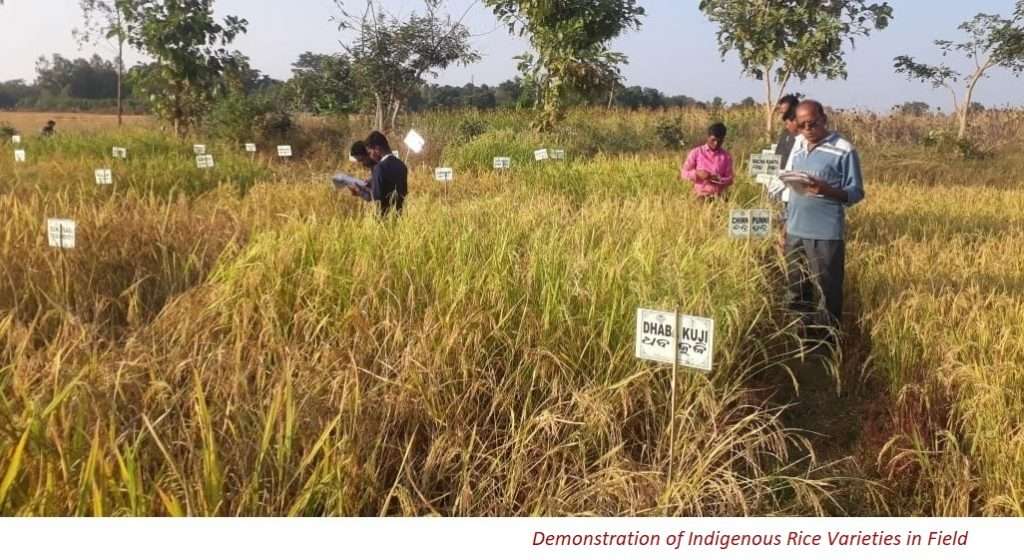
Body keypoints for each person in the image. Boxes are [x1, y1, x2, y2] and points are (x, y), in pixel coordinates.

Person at [784, 100, 865, 340]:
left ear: (824, 119)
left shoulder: (844, 150)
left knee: (826, 292)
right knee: (797, 288)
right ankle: (800, 338)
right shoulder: (798, 146)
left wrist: (826, 190)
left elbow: (856, 193)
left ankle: (825, 345)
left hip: (825, 234)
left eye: (813, 123)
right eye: (802, 125)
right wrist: (785, 224)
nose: (808, 129)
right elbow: (791, 191)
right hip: (795, 231)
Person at [681, 122, 734, 200]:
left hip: (719, 197)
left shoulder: (726, 156)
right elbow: (684, 174)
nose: (716, 143)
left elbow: (729, 179)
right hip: (699, 196)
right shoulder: (696, 152)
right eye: (713, 140)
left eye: (720, 141)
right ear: (708, 137)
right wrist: (697, 173)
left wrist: (718, 179)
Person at [364, 131, 408, 217]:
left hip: (383, 219)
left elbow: (377, 198)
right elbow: (404, 192)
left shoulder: (379, 168)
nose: (370, 156)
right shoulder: (402, 165)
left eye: (370, 152)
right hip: (400, 217)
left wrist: (367, 188)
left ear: (377, 149)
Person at [775, 95, 800, 168]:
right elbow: (778, 156)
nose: (783, 116)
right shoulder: (785, 133)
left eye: (786, 112)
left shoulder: (805, 135)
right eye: (781, 112)